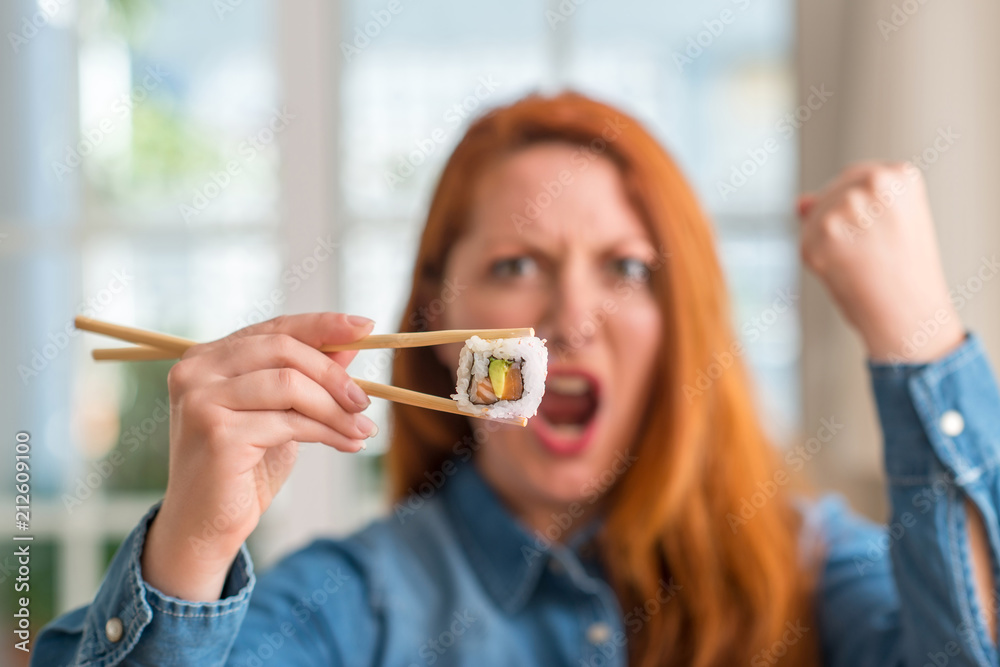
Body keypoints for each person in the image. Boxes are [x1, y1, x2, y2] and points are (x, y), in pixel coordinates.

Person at [34, 92, 1000, 666]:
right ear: (440, 325)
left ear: (680, 325)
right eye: (514, 264)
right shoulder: (357, 599)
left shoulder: (814, 563)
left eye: (626, 268)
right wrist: (193, 547)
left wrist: (920, 340)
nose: (571, 317)